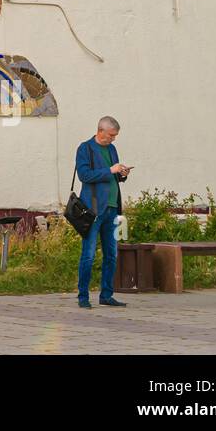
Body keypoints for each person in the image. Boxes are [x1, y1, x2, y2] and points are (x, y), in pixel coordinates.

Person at [75, 115, 132, 307]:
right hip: (93, 210)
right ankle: (83, 297)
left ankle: (106, 295)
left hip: (113, 209)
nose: (113, 139)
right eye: (111, 135)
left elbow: (113, 175)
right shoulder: (85, 148)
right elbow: (84, 175)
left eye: (115, 136)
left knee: (112, 254)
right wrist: (110, 170)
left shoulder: (112, 149)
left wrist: (122, 174)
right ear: (100, 131)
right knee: (89, 254)